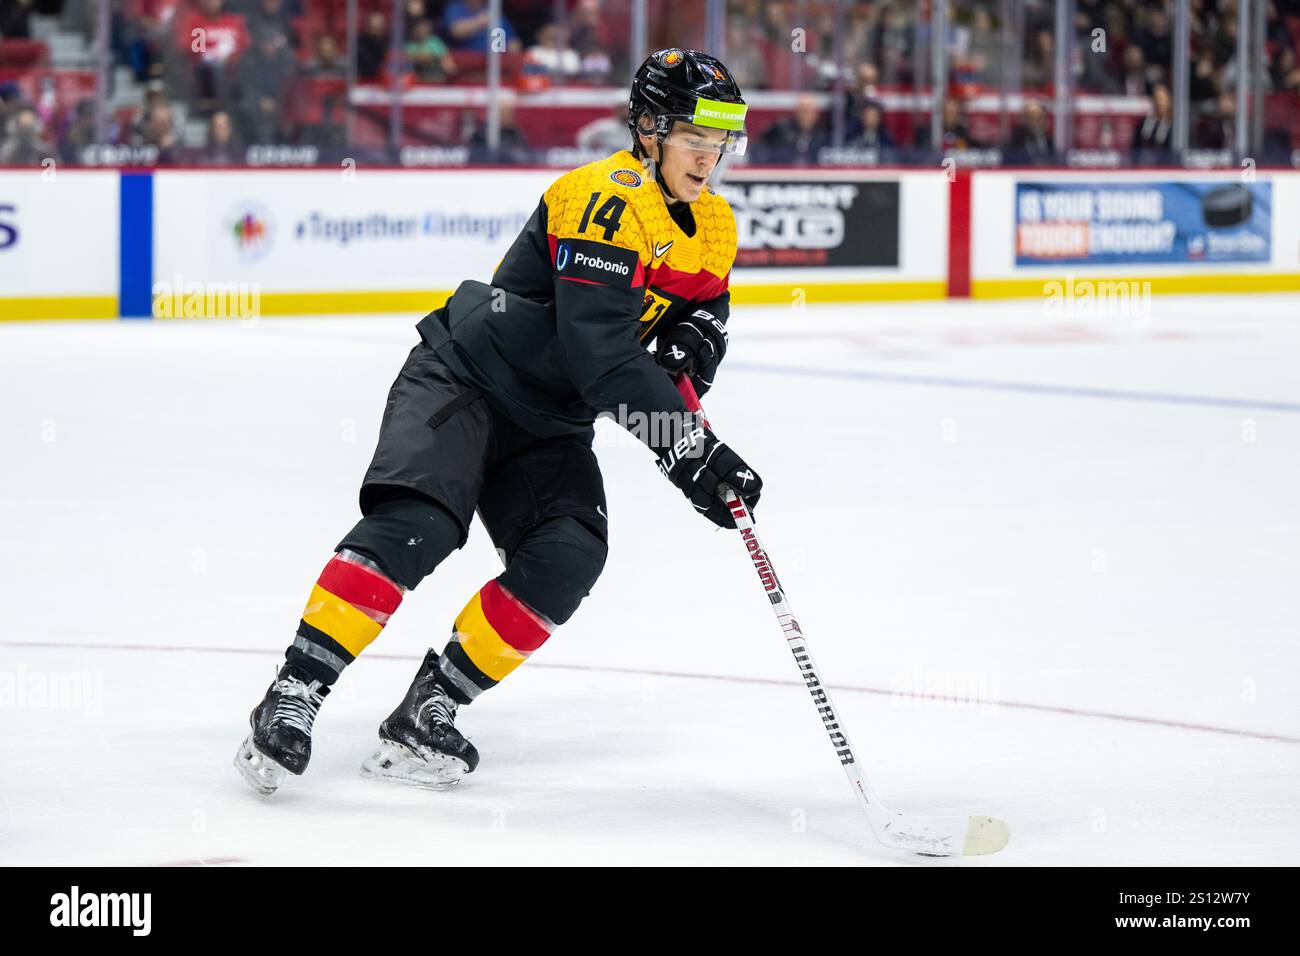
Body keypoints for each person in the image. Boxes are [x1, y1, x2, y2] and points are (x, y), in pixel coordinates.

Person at [235, 48, 763, 795]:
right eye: (695, 140)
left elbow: (699, 319)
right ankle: (296, 690)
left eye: (720, 143)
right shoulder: (601, 195)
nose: (710, 159)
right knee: (420, 523)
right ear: (648, 129)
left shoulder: (713, 226)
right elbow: (600, 351)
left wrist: (698, 346)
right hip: (466, 380)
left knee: (568, 555)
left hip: (549, 421)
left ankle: (429, 707)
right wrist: (687, 448)